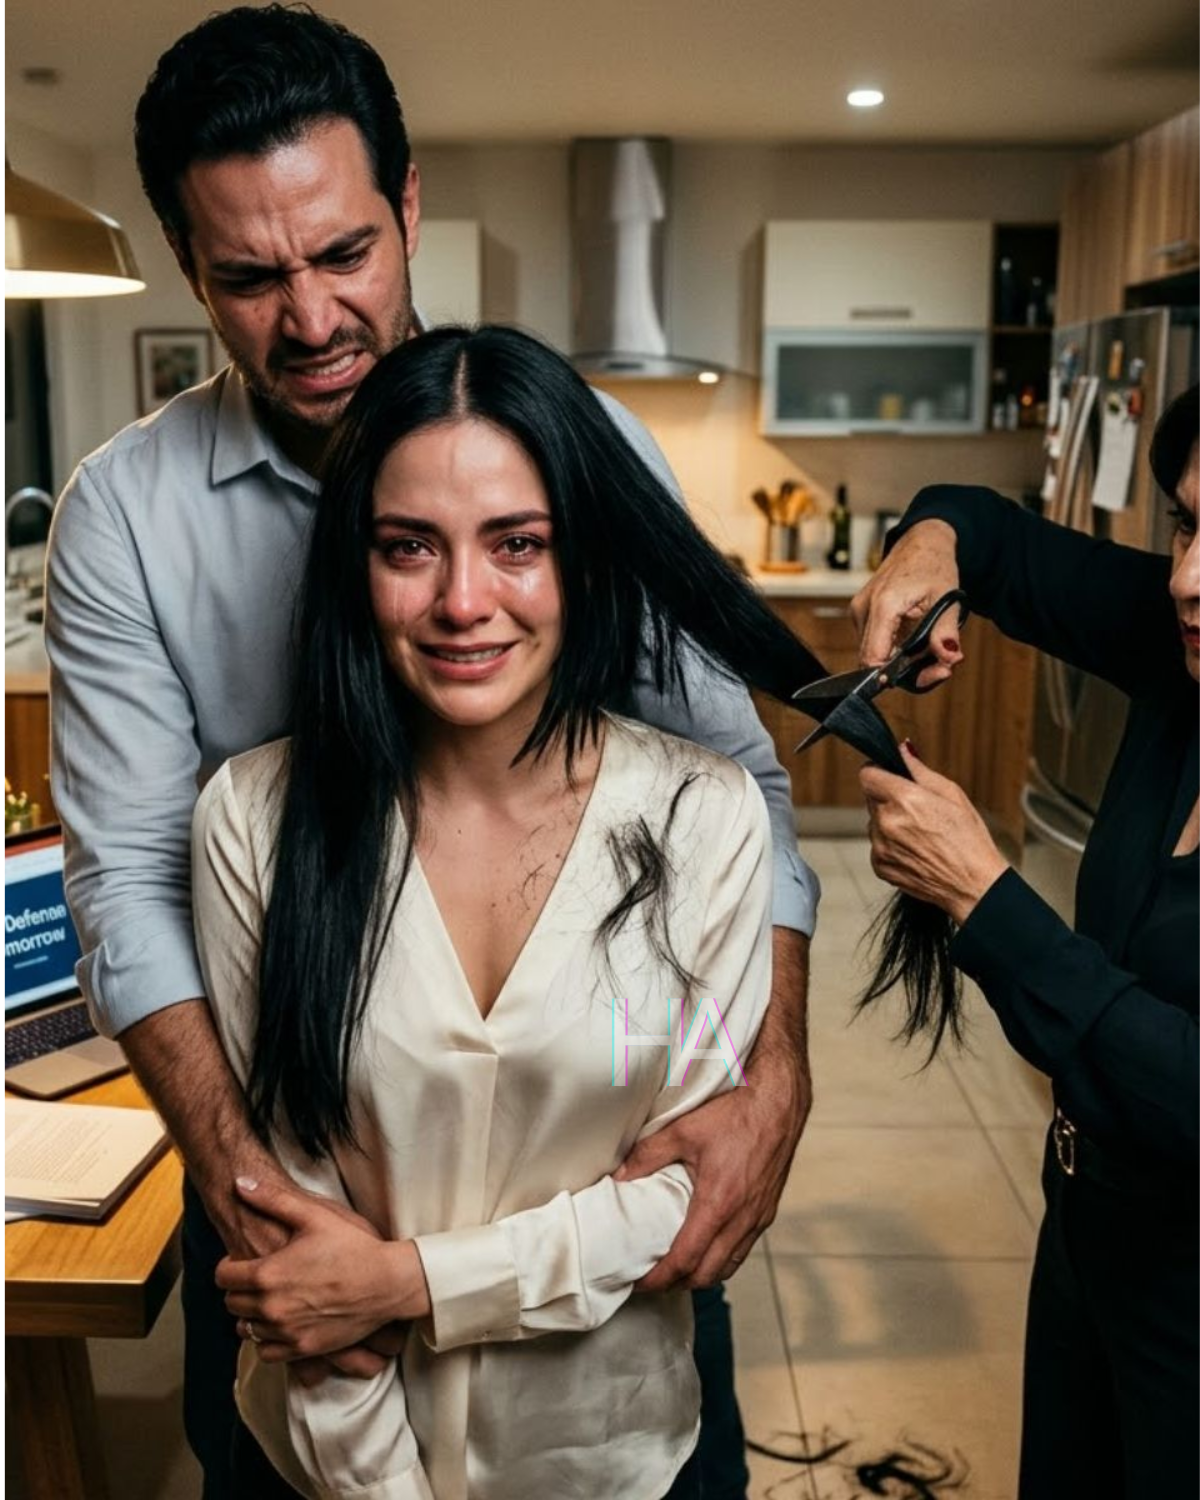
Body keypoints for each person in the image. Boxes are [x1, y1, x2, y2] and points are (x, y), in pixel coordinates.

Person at [44, 8, 817, 1494]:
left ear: (408, 208)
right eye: (250, 277)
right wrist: (282, 1233)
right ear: (185, 264)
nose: (312, 315)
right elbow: (131, 894)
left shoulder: (587, 449)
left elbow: (746, 791)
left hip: (592, 1326)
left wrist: (772, 1074)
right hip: (305, 1204)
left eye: (343, 254)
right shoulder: (132, 524)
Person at [192, 321, 837, 1498]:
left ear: (583, 560)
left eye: (517, 544)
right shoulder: (256, 825)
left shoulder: (704, 825)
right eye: (408, 547)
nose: (461, 600)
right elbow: (297, 1256)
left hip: (620, 1458)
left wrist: (408, 1284)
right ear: (357, 563)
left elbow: (680, 1200)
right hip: (329, 1467)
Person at [849, 384, 1199, 1499]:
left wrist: (987, 900)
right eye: (1189, 526)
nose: (1187, 579)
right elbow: (982, 528)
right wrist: (929, 554)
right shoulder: (1182, 653)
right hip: (1087, 1236)